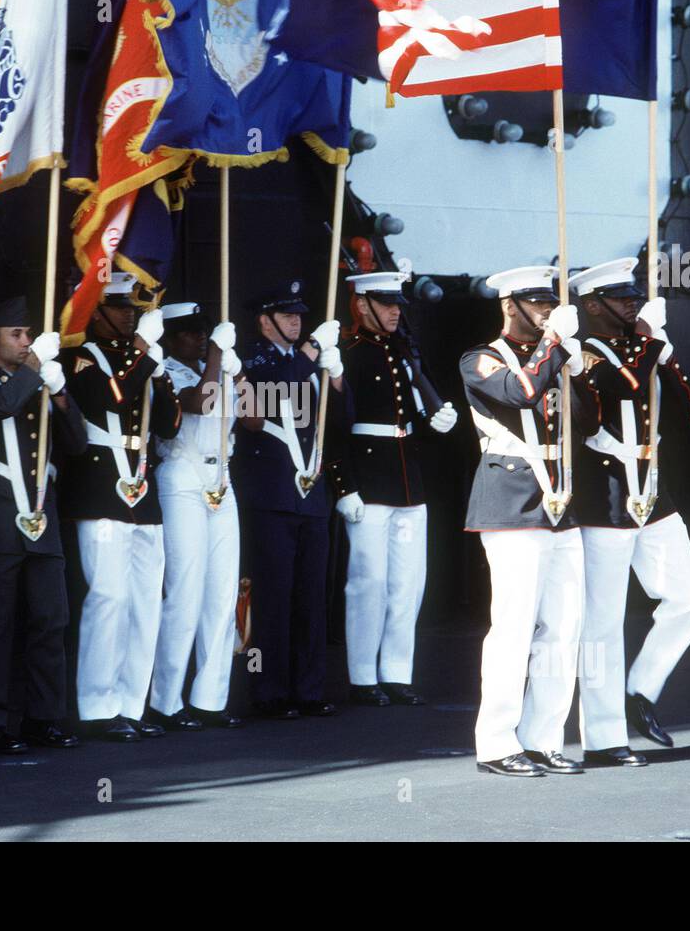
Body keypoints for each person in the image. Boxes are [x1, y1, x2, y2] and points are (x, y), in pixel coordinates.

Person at [571, 258, 690, 763]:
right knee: (603, 620)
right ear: (592, 305)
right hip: (604, 493)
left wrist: (667, 351)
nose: (631, 302)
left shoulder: (646, 349)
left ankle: (640, 692)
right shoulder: (583, 352)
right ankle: (604, 739)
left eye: (633, 295)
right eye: (619, 296)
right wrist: (653, 340)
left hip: (652, 488)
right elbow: (623, 384)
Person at [460, 265, 590, 778]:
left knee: (564, 627)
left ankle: (544, 738)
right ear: (508, 305)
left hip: (560, 502)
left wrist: (582, 372)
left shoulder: (554, 358)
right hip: (511, 502)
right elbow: (519, 394)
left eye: (550, 303)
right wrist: (555, 341)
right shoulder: (481, 359)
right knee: (513, 627)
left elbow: (589, 423)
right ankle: (495, 743)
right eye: (535, 303)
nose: (545, 311)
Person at [0, 297, 85, 753]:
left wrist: (61, 392)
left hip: (41, 515)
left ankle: (44, 718)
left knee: (51, 620)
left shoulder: (39, 381)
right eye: (17, 335)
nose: (27, 341)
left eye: (29, 334)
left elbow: (78, 443)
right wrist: (34, 372)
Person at [59, 272, 182, 742]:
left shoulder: (143, 357)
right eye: (119, 307)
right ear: (97, 311)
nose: (129, 315)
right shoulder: (83, 357)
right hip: (99, 485)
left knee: (145, 600)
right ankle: (96, 705)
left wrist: (159, 368)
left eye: (133, 307)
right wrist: (147, 360)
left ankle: (133, 703)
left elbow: (169, 424)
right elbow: (109, 398)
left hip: (141, 487)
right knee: (108, 597)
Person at [326, 271, 457, 707]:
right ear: (362, 305)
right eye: (385, 303)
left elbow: (409, 417)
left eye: (397, 303)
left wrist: (433, 424)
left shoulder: (402, 352)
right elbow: (335, 428)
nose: (395, 310)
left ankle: (397, 671)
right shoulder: (349, 354)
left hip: (407, 480)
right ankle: (363, 676)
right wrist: (343, 485)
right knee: (369, 581)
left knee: (408, 582)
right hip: (369, 480)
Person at [231, 280, 344, 719]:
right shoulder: (253, 359)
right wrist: (311, 355)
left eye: (300, 314)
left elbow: (342, 419)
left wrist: (335, 378)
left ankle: (310, 689)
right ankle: (268, 692)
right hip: (271, 493)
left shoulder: (308, 362)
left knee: (312, 597)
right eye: (287, 315)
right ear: (265, 321)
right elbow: (265, 405)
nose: (297, 321)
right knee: (273, 598)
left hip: (311, 492)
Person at [146, 302, 246, 730]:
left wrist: (237, 373)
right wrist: (217, 360)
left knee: (222, 593)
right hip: (181, 475)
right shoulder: (162, 370)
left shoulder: (218, 368)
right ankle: (166, 700)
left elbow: (257, 420)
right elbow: (198, 405)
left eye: (203, 331)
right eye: (189, 332)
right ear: (170, 337)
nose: (199, 338)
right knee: (184, 591)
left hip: (221, 476)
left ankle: (211, 698)